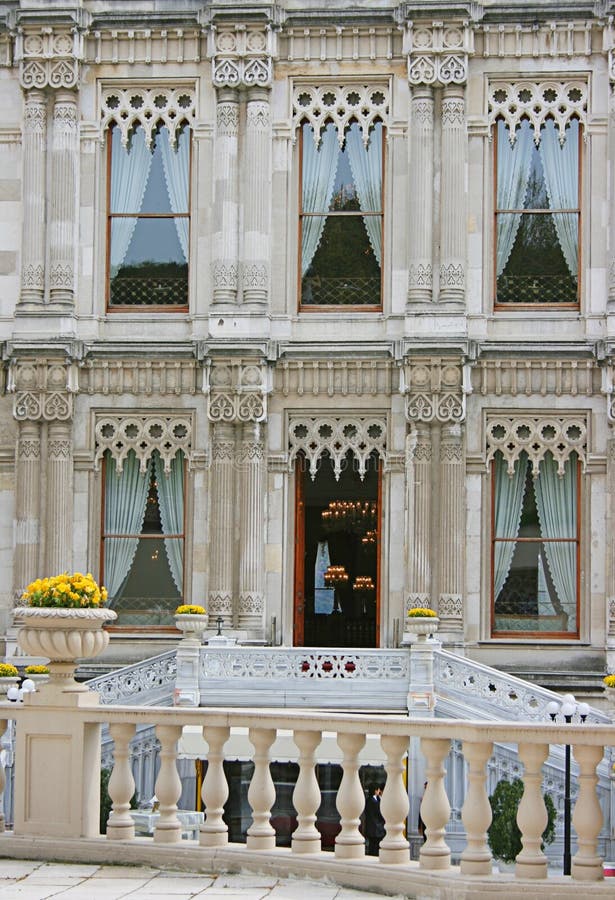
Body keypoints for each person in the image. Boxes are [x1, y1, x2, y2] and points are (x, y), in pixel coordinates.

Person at [364, 783, 385, 856]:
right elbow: (380, 813)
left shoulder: (369, 800)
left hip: (371, 828)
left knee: (372, 846)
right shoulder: (374, 802)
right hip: (377, 829)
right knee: (375, 848)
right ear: (375, 791)